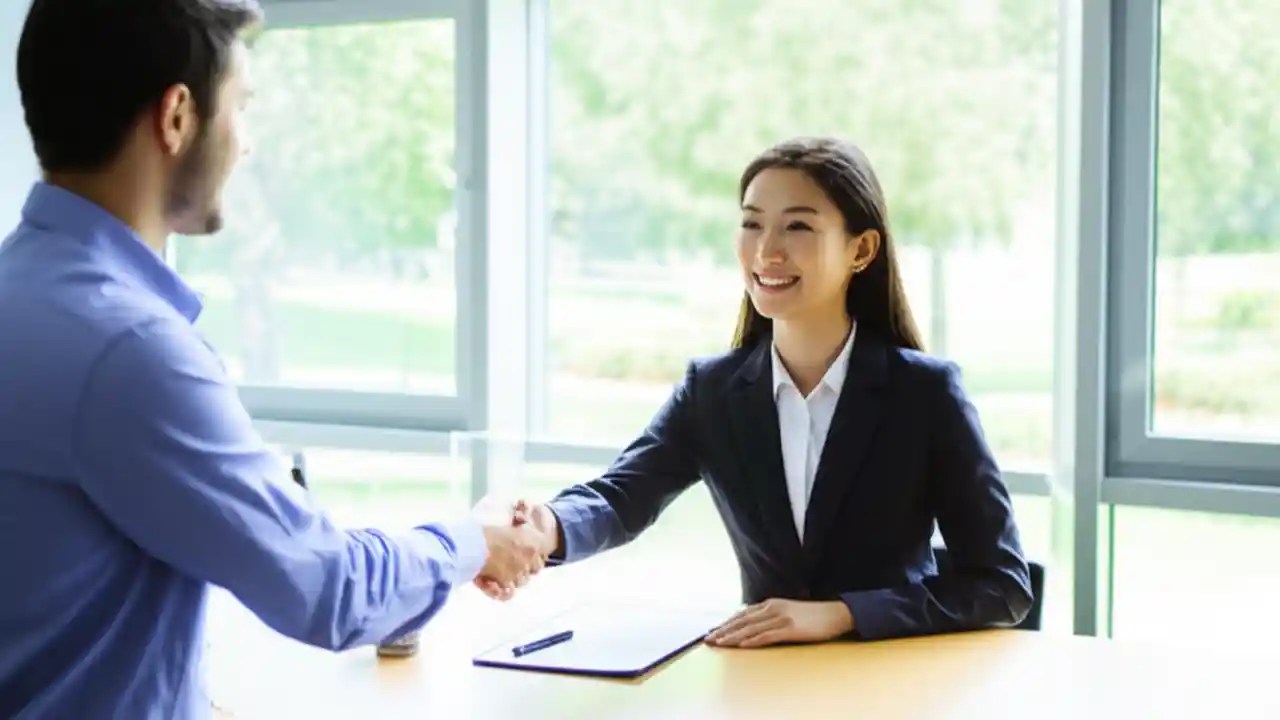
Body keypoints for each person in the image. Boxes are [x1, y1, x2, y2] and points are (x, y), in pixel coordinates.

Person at [0, 2, 545, 717]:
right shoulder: (128, 350)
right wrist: (473, 542)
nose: (245, 143)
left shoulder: (21, 293)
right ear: (176, 117)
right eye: (241, 107)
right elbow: (331, 591)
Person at [490, 137, 1033, 646]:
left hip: (894, 682)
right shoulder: (713, 392)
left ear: (861, 249)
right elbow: (619, 498)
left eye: (798, 227)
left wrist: (842, 613)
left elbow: (1001, 585)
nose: (767, 251)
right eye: (752, 225)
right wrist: (547, 527)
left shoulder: (924, 393)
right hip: (763, 683)